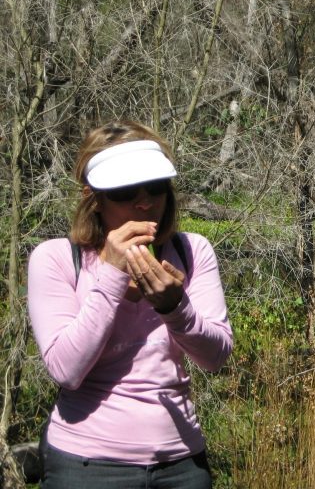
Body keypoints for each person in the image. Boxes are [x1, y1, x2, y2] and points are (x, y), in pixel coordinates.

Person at [28, 120, 233, 489]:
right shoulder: (57, 259)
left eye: (156, 187)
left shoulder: (192, 251)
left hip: (181, 462)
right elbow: (66, 370)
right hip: (85, 464)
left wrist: (176, 308)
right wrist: (111, 274)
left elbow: (215, 356)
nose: (145, 201)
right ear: (95, 197)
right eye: (124, 191)